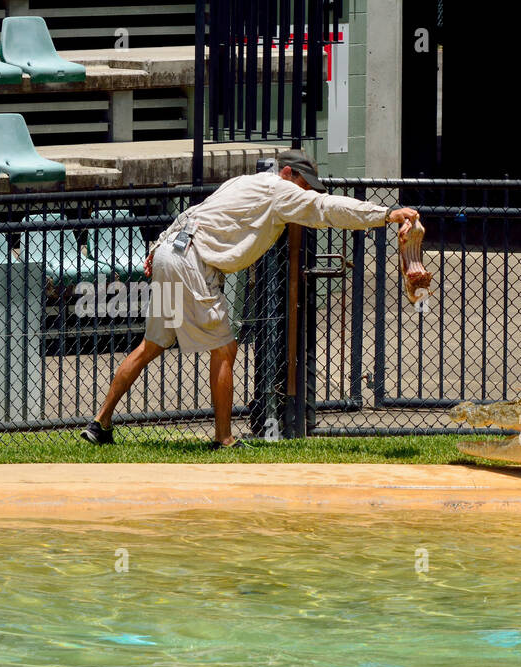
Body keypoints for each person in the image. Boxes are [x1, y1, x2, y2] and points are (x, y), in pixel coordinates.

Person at [81, 149, 418, 449]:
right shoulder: (280, 189)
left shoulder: (243, 181)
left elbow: (194, 213)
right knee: (225, 349)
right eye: (304, 182)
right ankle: (224, 438)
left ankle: (100, 424)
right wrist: (386, 214)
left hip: (172, 251)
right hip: (192, 263)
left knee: (151, 345)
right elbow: (326, 208)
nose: (306, 191)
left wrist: (158, 248)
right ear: (287, 173)